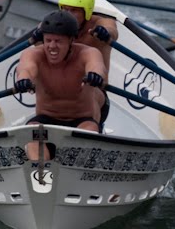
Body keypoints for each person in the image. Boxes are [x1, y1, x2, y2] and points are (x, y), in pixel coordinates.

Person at [14, 10, 108, 162]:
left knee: (89, 132)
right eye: (48, 40)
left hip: (82, 120)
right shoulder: (33, 54)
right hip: (46, 119)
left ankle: (74, 168)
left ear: (71, 40)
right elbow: (25, 69)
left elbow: (97, 66)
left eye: (58, 41)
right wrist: (23, 80)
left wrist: (95, 75)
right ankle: (41, 173)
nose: (52, 46)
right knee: (31, 132)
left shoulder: (87, 53)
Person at [54, 0, 118, 75]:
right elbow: (41, 27)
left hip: (94, 86)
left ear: (87, 11)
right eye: (65, 9)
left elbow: (112, 30)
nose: (68, 14)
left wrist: (105, 32)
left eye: (74, 10)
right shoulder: (54, 23)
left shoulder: (99, 23)